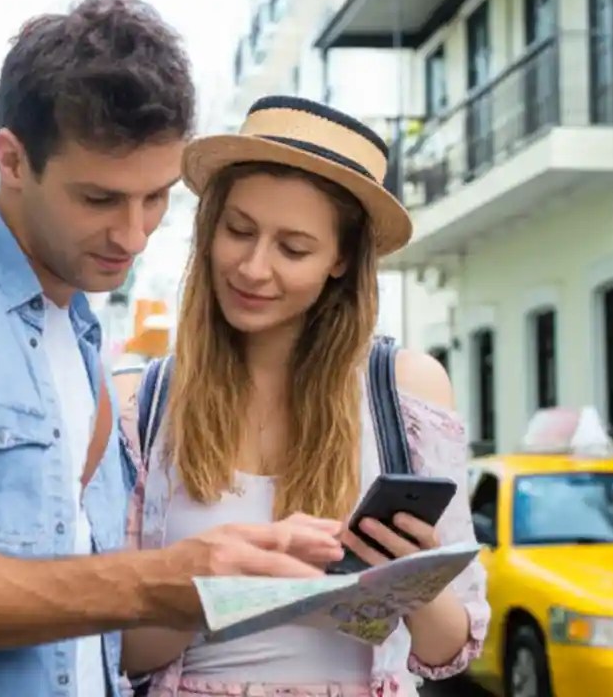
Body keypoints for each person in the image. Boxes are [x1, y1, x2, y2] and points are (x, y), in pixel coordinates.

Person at [0, 0, 343, 697]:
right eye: (100, 199)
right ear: (13, 161)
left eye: (158, 198)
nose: (135, 235)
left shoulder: (81, 330)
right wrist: (157, 580)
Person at [120, 96, 489, 696]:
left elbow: (447, 649)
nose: (253, 267)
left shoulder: (407, 391)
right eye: (238, 231)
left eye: (293, 249)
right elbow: (125, 653)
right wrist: (214, 580)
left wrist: (412, 581)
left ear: (341, 259)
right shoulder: (145, 403)